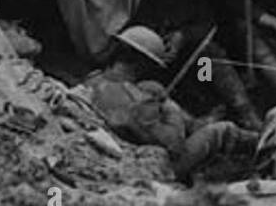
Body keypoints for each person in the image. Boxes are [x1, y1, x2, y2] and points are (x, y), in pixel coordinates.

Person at [75, 25, 258, 183]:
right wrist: (169, 105)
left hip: (121, 149)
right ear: (142, 63)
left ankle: (201, 124)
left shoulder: (93, 80)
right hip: (154, 167)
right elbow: (175, 146)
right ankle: (267, 142)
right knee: (222, 130)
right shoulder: (138, 100)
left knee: (194, 123)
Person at [132, 0, 263, 129]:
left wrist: (183, 35)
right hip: (157, 66)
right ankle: (196, 123)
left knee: (210, 58)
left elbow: (207, 24)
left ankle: (244, 111)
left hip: (192, 60)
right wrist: (158, 47)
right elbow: (139, 32)